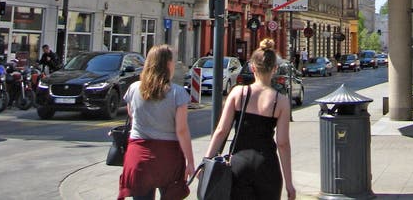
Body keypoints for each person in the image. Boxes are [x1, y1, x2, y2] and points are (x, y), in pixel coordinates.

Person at [205, 38, 296, 200]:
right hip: (267, 166)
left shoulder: (238, 93)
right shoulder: (281, 101)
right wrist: (289, 183)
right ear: (274, 69)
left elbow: (221, 131)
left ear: (252, 67)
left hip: (239, 164)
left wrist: (207, 161)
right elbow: (283, 143)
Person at [118, 44, 194, 200]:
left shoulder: (133, 89)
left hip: (139, 156)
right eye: (174, 60)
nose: (175, 63)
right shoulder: (177, 93)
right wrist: (190, 162)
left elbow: (132, 115)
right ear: (167, 64)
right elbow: (181, 130)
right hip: (168, 158)